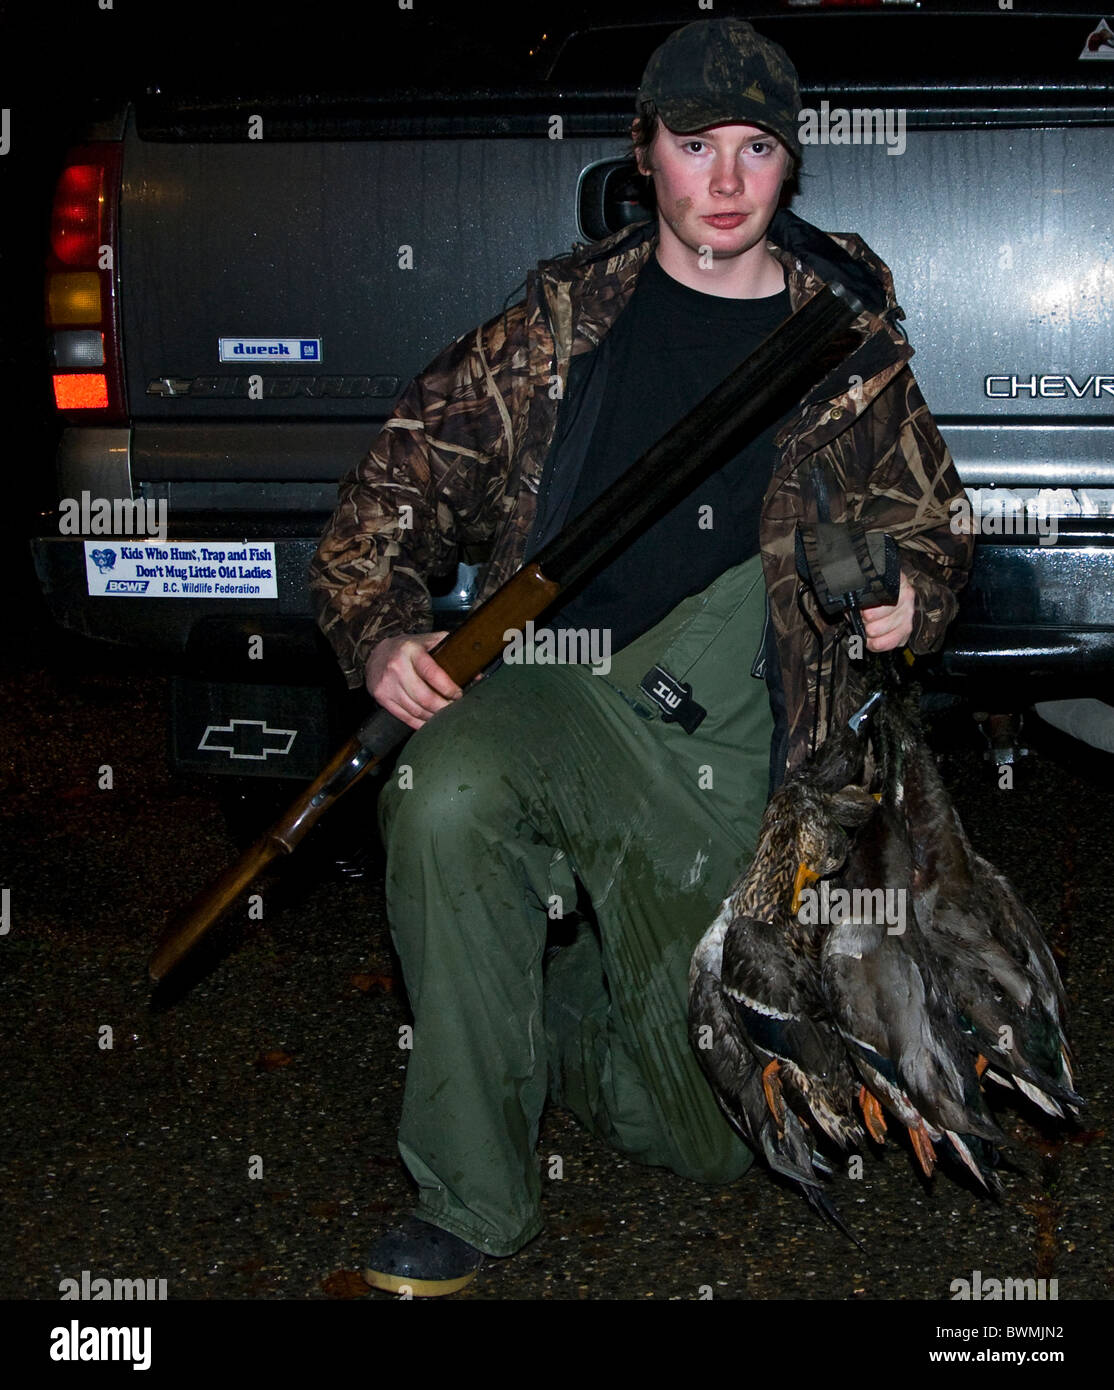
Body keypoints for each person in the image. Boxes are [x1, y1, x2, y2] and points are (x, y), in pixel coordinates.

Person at [309, 16, 972, 1295]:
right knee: (441, 793)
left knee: (710, 1143)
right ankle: (469, 1201)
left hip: (733, 750)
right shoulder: (561, 326)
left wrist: (911, 596)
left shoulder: (851, 349)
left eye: (754, 149)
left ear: (790, 167)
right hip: (557, 687)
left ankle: (549, 1009)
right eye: (693, 146)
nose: (723, 183)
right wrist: (384, 626)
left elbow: (932, 528)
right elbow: (386, 496)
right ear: (644, 153)